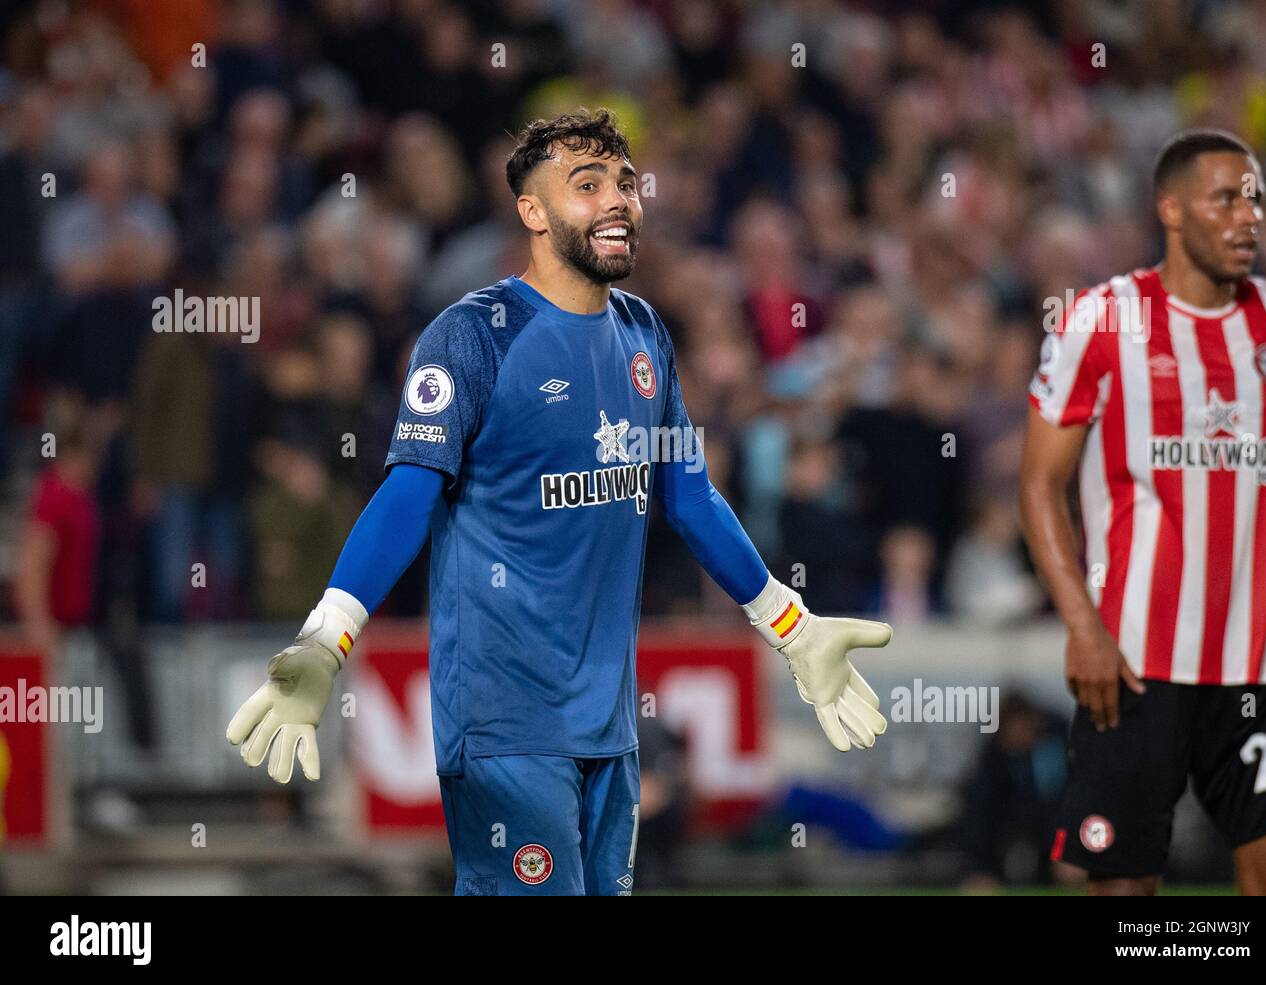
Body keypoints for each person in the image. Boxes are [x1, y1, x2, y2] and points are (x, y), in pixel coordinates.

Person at [225, 109, 893, 896]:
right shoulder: (473, 336)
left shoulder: (646, 336)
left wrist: (790, 623)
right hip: (504, 720)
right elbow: (407, 492)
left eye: (626, 183)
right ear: (532, 212)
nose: (617, 200)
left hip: (609, 727)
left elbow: (689, 494)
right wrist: (328, 634)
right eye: (587, 185)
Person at [1019, 128, 1266, 895]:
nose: (1248, 218)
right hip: (1134, 660)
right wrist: (1081, 623)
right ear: (1170, 208)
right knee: (1122, 887)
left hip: (1263, 662)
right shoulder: (1102, 320)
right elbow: (1039, 484)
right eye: (1226, 200)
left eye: (1256, 200)